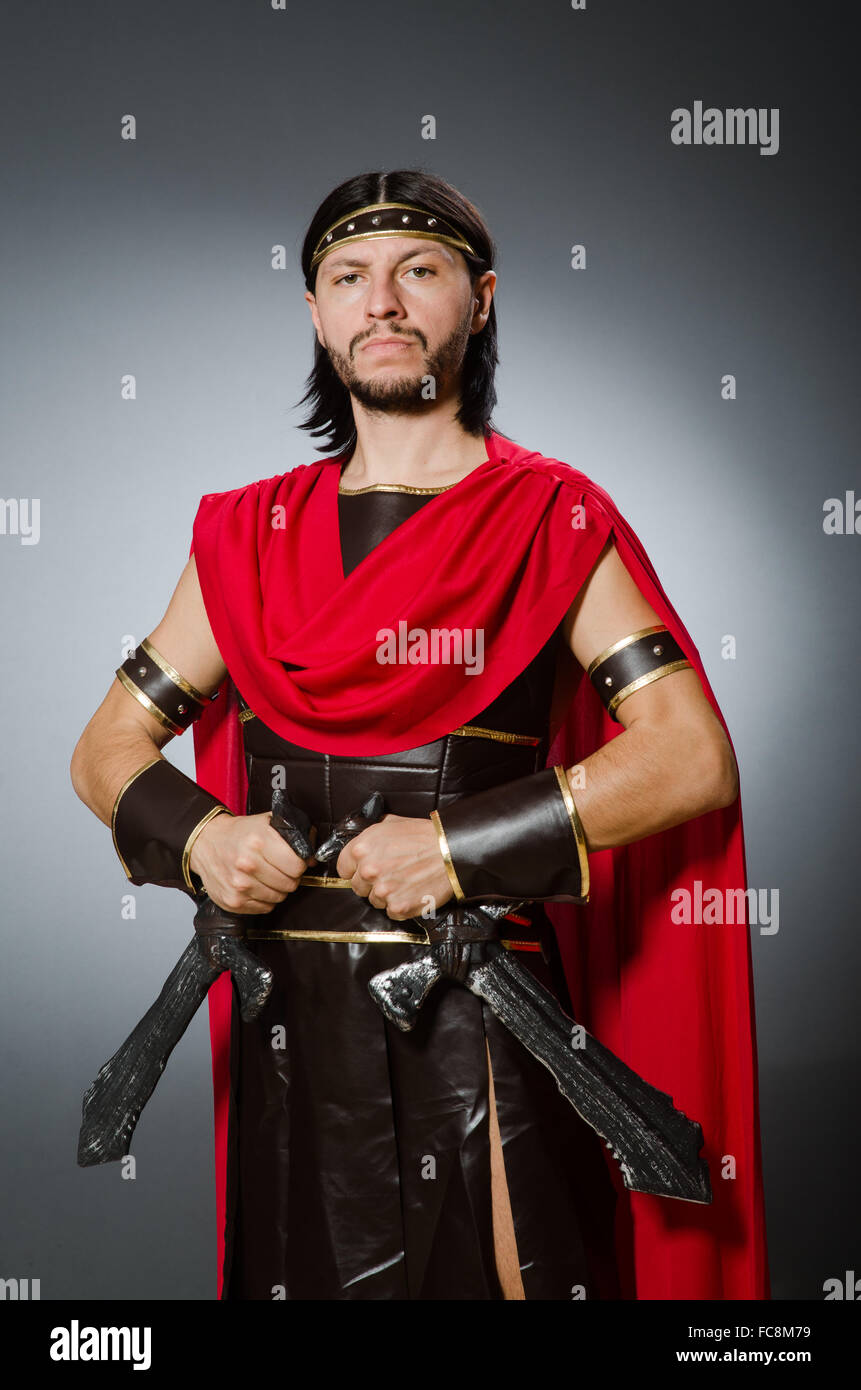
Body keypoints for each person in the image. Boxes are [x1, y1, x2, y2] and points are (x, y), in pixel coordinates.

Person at [70, 168, 769, 1301]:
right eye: (349, 277)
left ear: (478, 301)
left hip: (474, 1005)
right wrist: (200, 837)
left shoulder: (552, 519)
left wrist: (450, 848)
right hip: (288, 1023)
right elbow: (102, 751)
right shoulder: (245, 536)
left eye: (419, 272)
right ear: (316, 312)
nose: (381, 302)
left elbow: (690, 755)